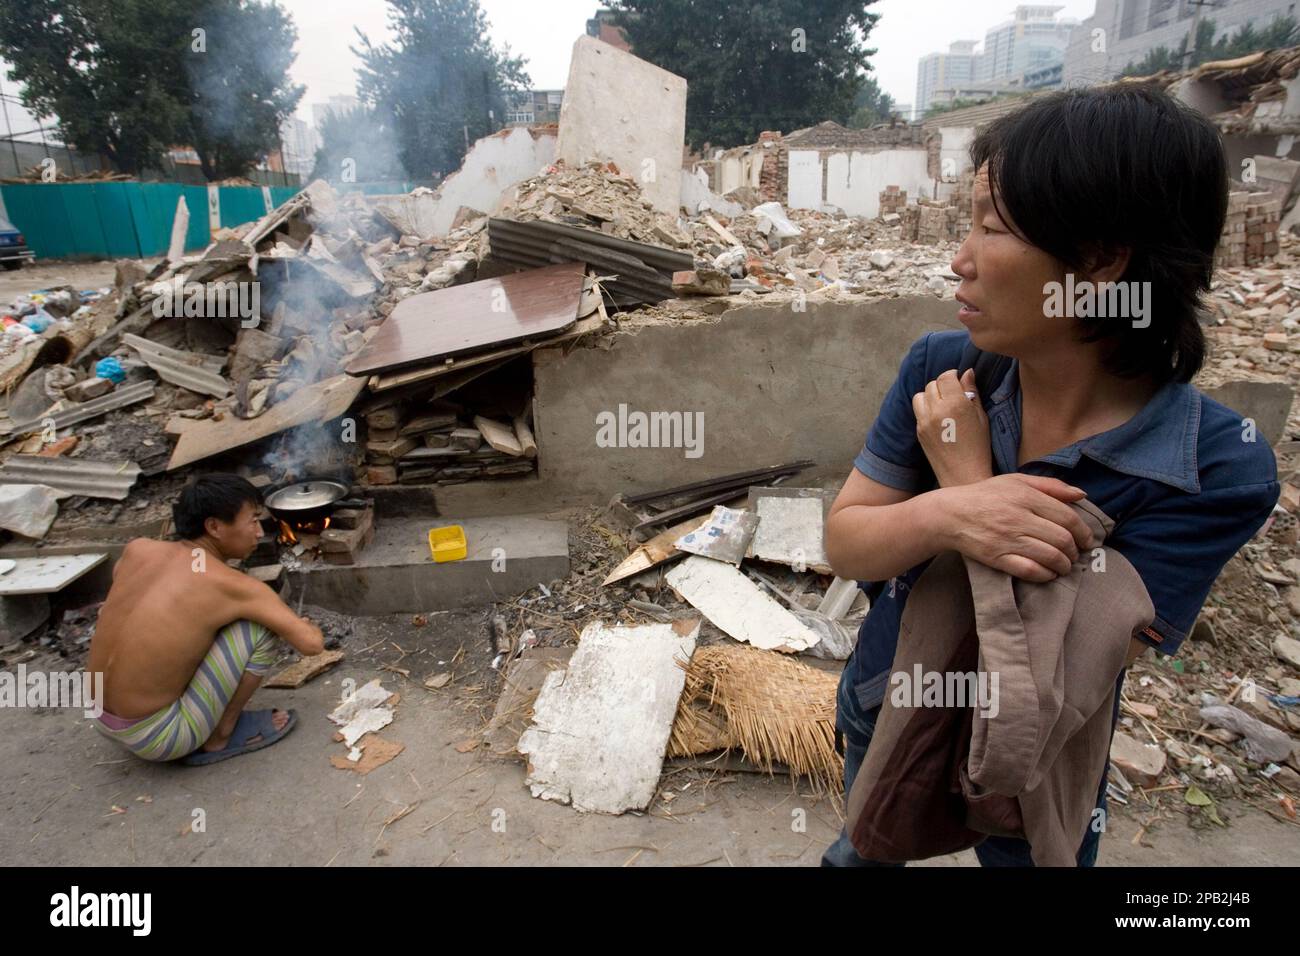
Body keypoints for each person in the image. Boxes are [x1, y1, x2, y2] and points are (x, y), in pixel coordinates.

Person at [822, 84, 1280, 866]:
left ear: (1099, 261)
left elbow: (1055, 665)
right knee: (865, 849)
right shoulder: (945, 372)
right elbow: (848, 543)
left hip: (1039, 760)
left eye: (991, 228)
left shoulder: (1217, 469)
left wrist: (963, 484)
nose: (958, 260)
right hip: (895, 697)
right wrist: (948, 516)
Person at [88, 474, 325, 765]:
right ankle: (220, 735)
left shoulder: (138, 549)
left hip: (97, 714)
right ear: (214, 526)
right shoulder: (232, 586)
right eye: (252, 520)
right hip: (157, 738)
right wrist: (306, 623)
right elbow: (311, 645)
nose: (259, 532)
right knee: (258, 630)